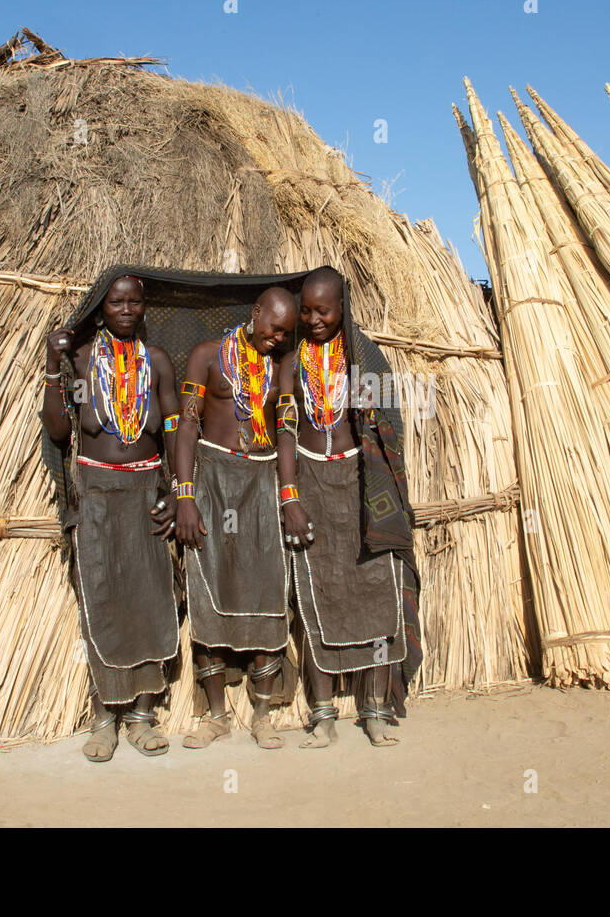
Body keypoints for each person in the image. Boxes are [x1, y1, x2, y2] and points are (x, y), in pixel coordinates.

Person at [42, 275, 181, 762]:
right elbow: (59, 431)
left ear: (144, 307)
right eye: (116, 301)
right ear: (100, 310)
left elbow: (175, 433)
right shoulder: (79, 362)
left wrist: (180, 493)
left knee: (148, 598)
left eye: (134, 301)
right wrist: (52, 366)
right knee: (102, 600)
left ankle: (143, 714)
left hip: (145, 491)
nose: (126, 308)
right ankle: (106, 717)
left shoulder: (157, 361)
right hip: (97, 491)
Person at [278, 267, 407, 748]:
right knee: (318, 593)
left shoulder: (366, 358)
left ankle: (373, 711)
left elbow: (386, 430)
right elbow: (286, 432)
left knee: (376, 592)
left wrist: (384, 495)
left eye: (323, 310)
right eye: (306, 310)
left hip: (361, 484)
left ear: (342, 308)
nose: (313, 319)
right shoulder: (292, 364)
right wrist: (289, 495)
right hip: (311, 480)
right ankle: (323, 714)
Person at [173, 287, 298, 749]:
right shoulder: (206, 356)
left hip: (262, 481)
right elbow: (187, 426)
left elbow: (285, 430)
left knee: (268, 590)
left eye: (286, 332)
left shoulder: (282, 366)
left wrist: (288, 496)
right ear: (255, 313)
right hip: (213, 479)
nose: (277, 337)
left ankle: (262, 714)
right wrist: (184, 495)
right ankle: (217, 717)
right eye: (273, 327)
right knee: (210, 589)